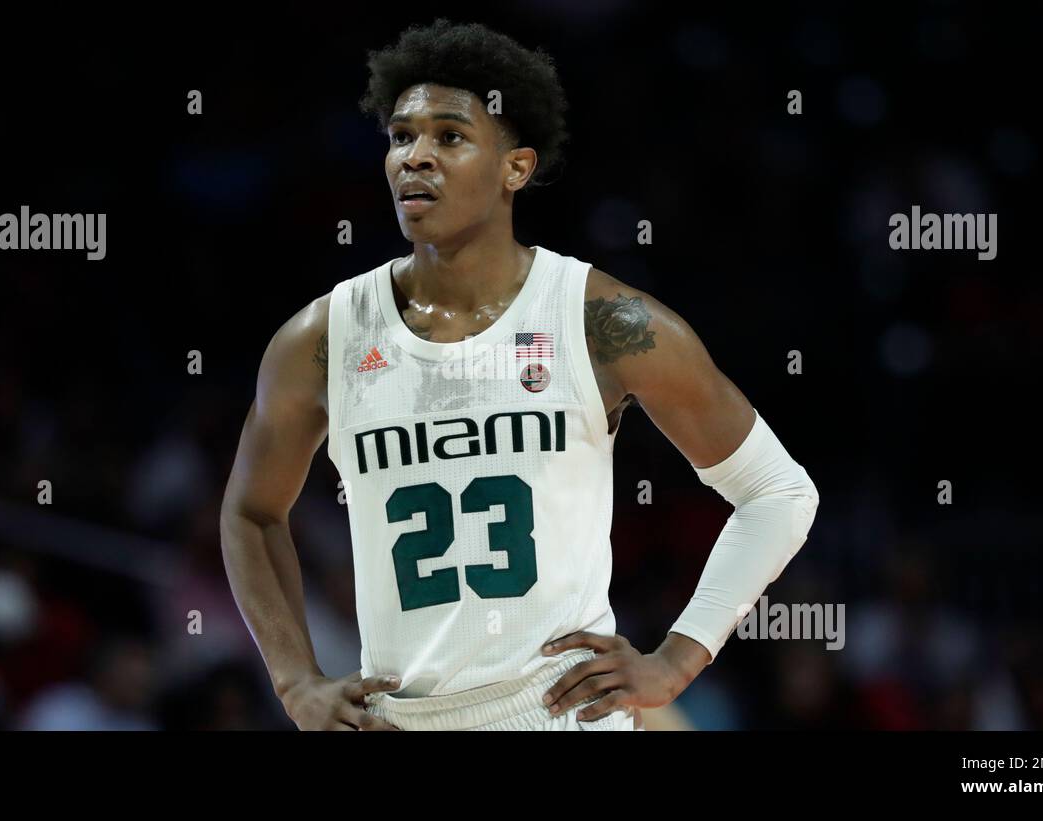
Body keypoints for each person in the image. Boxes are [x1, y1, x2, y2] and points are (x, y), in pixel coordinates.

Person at [220, 19, 819, 731]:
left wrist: (677, 659)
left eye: (449, 136)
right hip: (402, 718)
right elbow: (251, 514)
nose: (416, 157)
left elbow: (778, 492)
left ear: (516, 167)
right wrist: (295, 683)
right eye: (401, 136)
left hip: (558, 715)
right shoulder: (322, 338)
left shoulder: (602, 320)